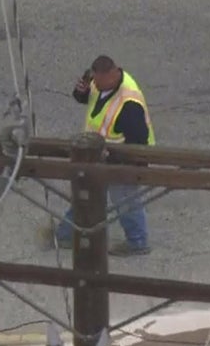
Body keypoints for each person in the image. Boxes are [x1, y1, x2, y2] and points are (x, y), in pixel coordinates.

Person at [49, 54, 156, 256]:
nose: (96, 86)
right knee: (88, 192)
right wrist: (81, 91)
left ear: (113, 74)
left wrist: (114, 160)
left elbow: (137, 142)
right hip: (97, 156)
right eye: (95, 82)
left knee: (125, 199)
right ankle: (66, 234)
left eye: (100, 83)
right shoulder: (99, 83)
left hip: (124, 160)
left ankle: (138, 242)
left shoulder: (129, 104)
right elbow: (84, 97)